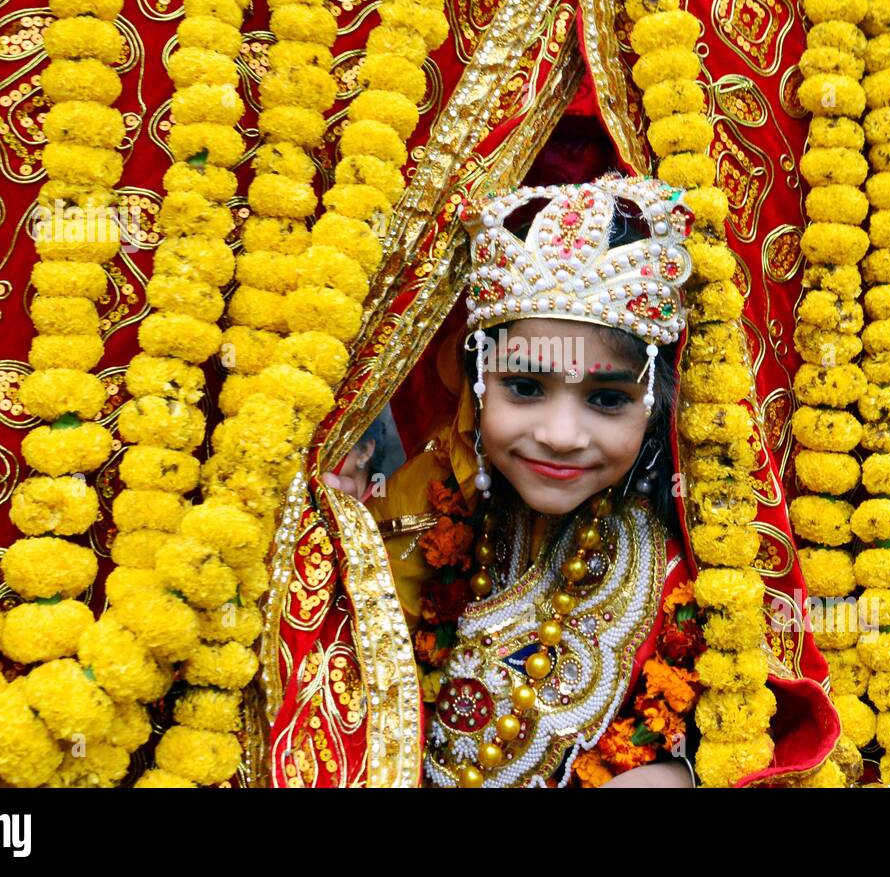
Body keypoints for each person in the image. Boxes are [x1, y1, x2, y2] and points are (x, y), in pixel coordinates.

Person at [324, 176, 839, 787]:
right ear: (476, 383)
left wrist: (676, 777)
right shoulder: (432, 506)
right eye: (525, 388)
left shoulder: (694, 585)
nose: (562, 434)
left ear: (655, 412)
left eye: (605, 398)